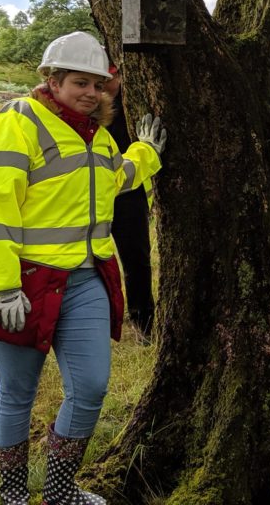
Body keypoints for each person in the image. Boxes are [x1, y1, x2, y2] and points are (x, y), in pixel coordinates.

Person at [0, 31, 167, 505]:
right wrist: (2, 286)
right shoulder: (21, 120)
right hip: (25, 283)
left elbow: (115, 178)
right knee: (16, 392)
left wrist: (147, 154)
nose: (91, 93)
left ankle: (59, 492)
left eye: (98, 84)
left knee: (90, 386)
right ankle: (13, 495)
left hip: (86, 277)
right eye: (79, 82)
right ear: (51, 80)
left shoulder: (97, 132)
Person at [104, 65, 156, 342]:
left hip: (130, 195)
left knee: (136, 260)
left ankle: (143, 323)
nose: (104, 83)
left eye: (110, 76)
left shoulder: (134, 100)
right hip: (92, 195)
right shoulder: (88, 104)